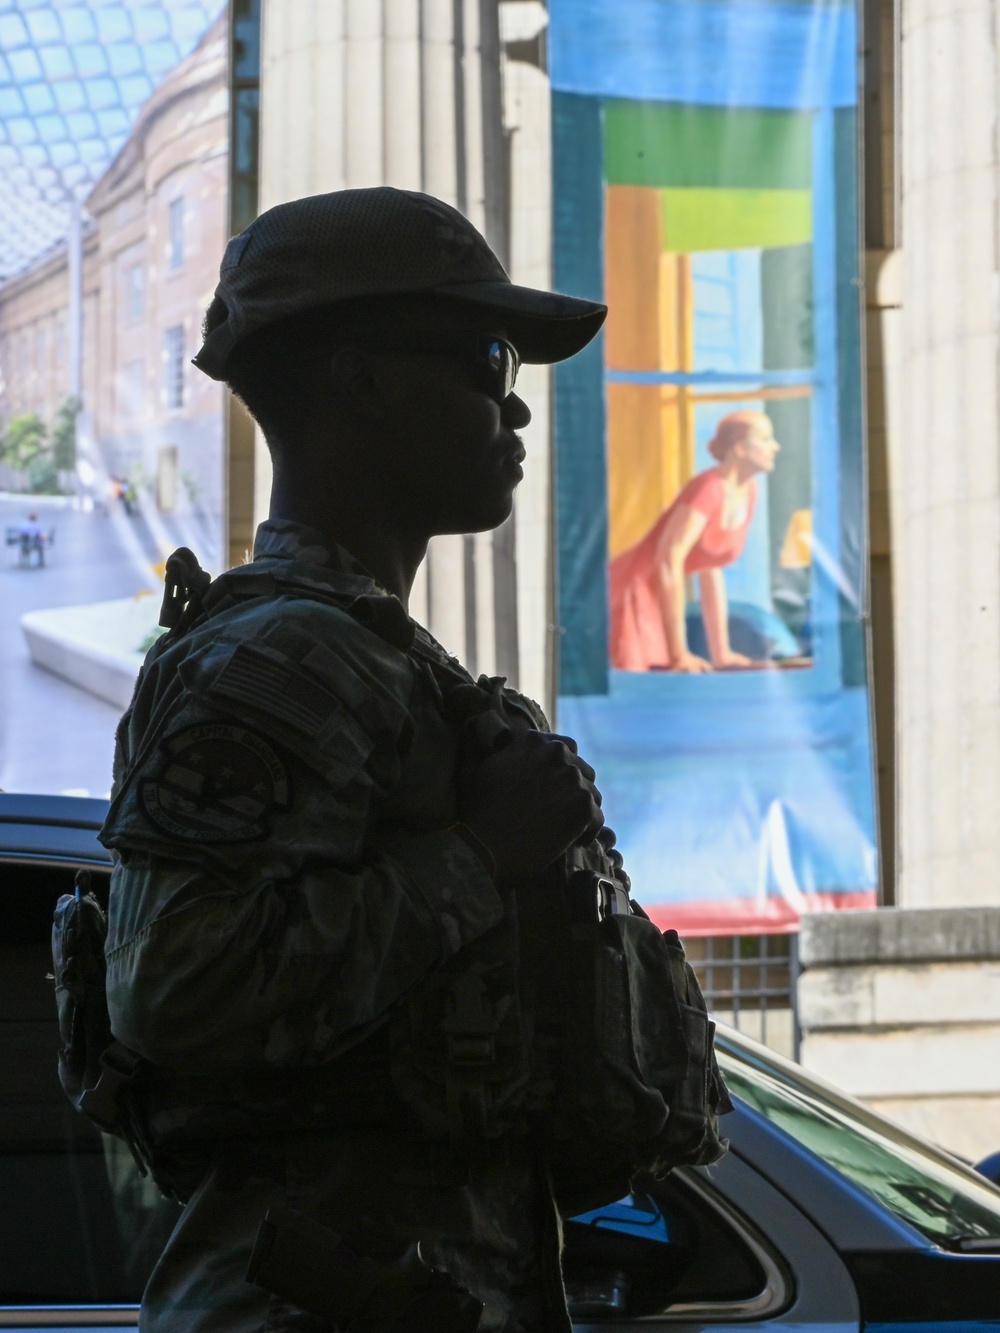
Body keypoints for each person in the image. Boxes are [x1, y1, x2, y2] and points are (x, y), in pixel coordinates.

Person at [98, 187, 615, 1332]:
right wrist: (481, 856)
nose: (513, 412)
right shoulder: (276, 660)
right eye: (488, 358)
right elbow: (174, 985)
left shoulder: (385, 663)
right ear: (360, 381)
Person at [609, 410, 781, 673]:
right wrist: (679, 654)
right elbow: (668, 559)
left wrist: (721, 653)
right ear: (740, 448)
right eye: (766, 438)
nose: (775, 446)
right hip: (632, 591)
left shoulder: (748, 492)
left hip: (656, 596)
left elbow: (709, 568)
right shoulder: (709, 488)